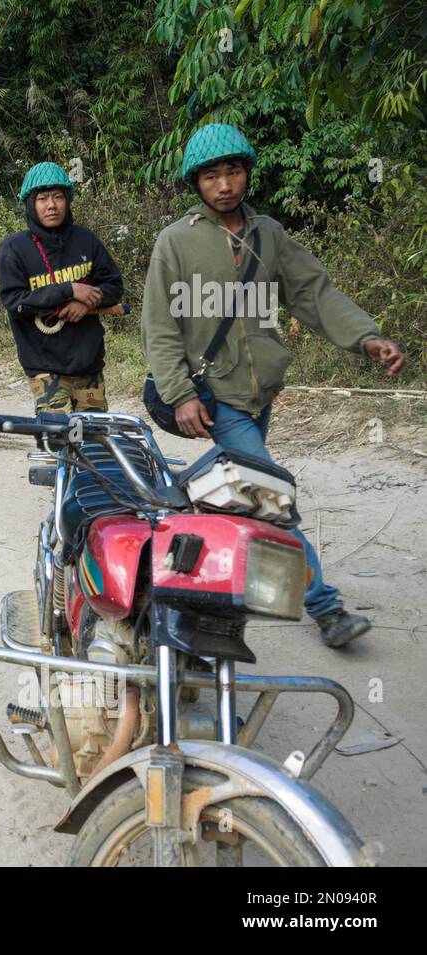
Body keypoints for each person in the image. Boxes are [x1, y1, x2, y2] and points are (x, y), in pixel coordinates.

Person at [142, 124, 405, 649]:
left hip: (260, 394)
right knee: (272, 496)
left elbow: (313, 293)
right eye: (211, 175)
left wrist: (366, 338)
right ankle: (326, 608)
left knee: (239, 489)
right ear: (196, 183)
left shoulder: (269, 236)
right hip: (216, 396)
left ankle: (196, 553)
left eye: (233, 171)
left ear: (247, 173)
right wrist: (180, 393)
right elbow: (159, 324)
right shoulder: (176, 242)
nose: (224, 184)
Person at [0, 162, 124, 413]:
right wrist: (67, 291)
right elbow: (15, 302)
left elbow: (113, 284)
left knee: (93, 442)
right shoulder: (14, 249)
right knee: (60, 438)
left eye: (58, 197)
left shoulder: (86, 240)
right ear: (30, 204)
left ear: (67, 200)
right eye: (42, 198)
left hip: (89, 363)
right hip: (44, 366)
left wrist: (85, 301)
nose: (51, 205)